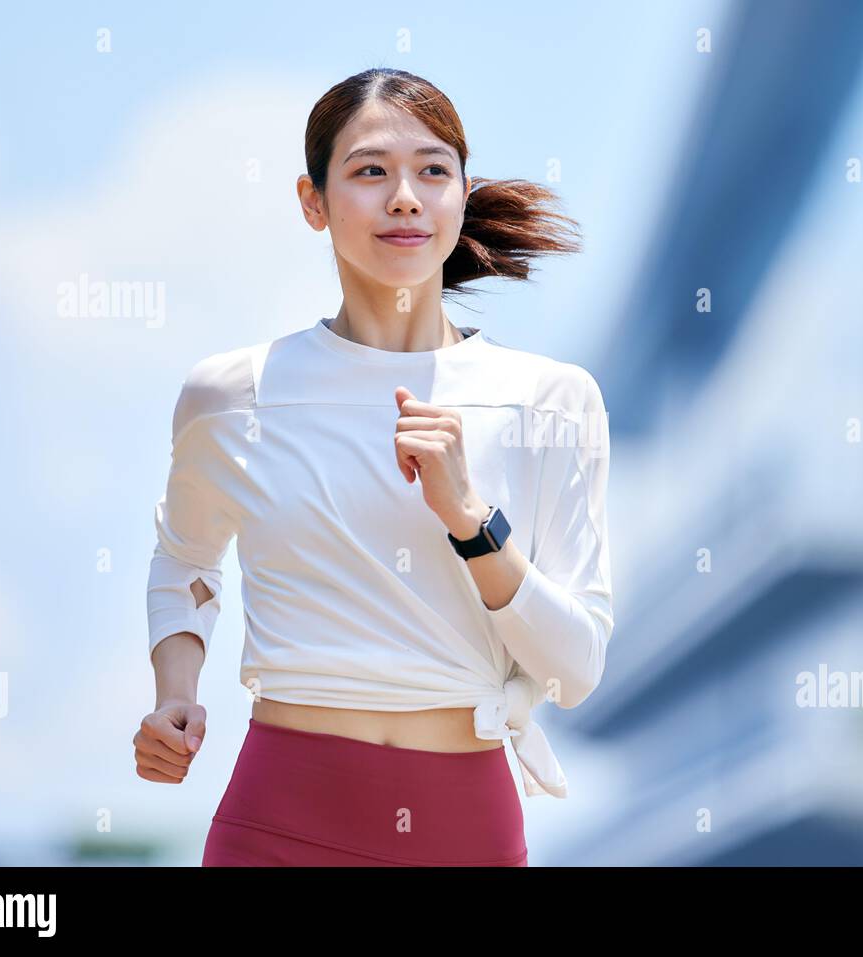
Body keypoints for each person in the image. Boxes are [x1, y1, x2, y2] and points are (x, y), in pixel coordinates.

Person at [132, 67, 614, 867]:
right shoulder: (233, 395)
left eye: (432, 170)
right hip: (279, 818)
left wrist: (470, 521)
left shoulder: (550, 401)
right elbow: (184, 557)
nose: (404, 196)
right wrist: (175, 694)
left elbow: (577, 666)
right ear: (312, 201)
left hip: (466, 830)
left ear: (462, 194)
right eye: (369, 171)